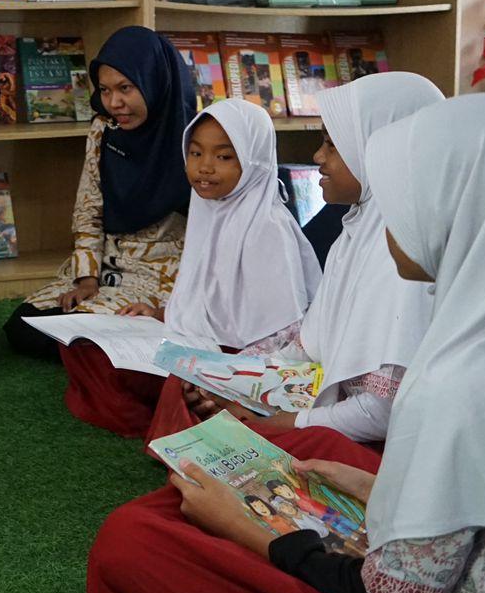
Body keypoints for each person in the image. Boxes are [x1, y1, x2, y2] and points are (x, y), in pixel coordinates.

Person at [88, 95, 485, 593]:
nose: (391, 217)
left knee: (133, 541)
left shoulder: (461, 380)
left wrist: (244, 529)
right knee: (303, 457)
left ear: (461, 212)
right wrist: (376, 487)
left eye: (409, 199)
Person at [151, 73, 440, 446]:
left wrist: (282, 423)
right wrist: (228, 380)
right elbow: (303, 352)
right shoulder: (355, 234)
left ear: (378, 150)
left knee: (176, 490)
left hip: (370, 446)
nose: (318, 157)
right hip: (319, 410)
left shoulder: (403, 258)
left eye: (332, 145)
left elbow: (379, 414)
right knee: (188, 388)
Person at [60, 99, 321, 436]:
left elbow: (285, 333)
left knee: (184, 382)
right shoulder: (207, 208)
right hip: (196, 343)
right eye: (195, 153)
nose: (205, 167)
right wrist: (160, 314)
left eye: (223, 156)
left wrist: (221, 369)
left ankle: (175, 414)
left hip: (245, 358)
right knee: (84, 347)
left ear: (254, 162)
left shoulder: (268, 226)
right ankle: (165, 410)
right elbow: (211, 297)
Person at [3, 27, 193, 360]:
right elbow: (88, 210)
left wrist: (173, 307)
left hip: (161, 277)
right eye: (105, 90)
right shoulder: (105, 129)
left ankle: (130, 342)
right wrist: (86, 279)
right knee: (24, 326)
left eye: (126, 89)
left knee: (86, 337)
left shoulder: (194, 139)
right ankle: (116, 346)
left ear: (154, 80)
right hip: (107, 265)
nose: (114, 102)